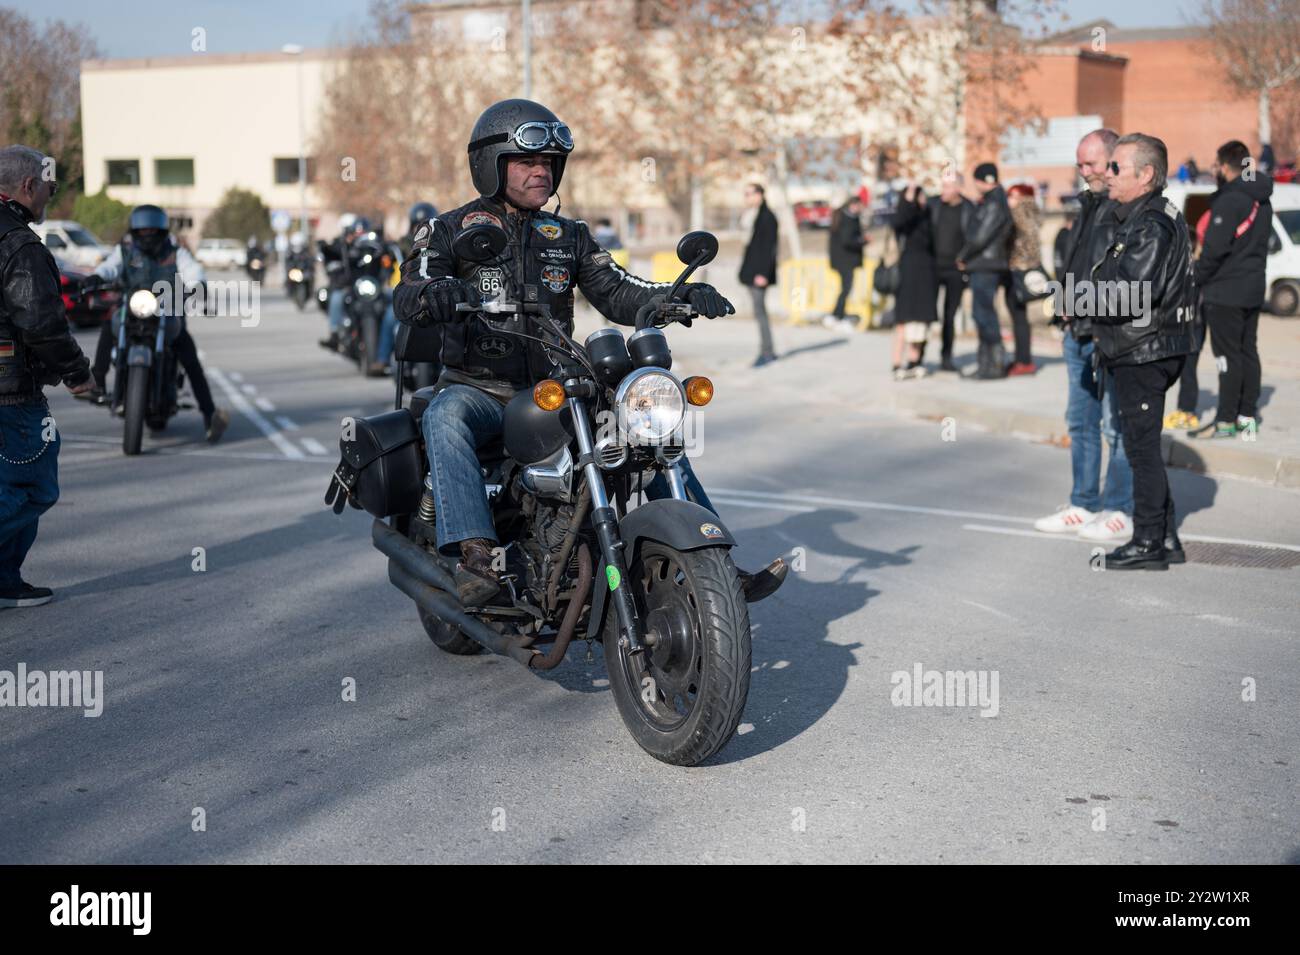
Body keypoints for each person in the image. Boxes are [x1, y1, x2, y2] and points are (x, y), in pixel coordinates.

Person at [394, 98, 782, 605]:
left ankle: (714, 563)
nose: (541, 171)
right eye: (527, 161)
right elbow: (413, 285)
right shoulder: (449, 229)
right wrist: (434, 293)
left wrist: (679, 294)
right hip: (480, 388)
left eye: (548, 163)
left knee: (646, 426)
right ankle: (477, 555)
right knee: (445, 414)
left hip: (554, 388)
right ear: (490, 164)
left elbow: (619, 290)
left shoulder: (568, 235)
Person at [1092, 133, 1197, 570]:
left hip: (1144, 350)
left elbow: (1133, 293)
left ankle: (1148, 541)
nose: (1107, 174)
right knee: (1143, 447)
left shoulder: (1151, 223)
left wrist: (1074, 300)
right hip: (1144, 347)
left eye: (1116, 167)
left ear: (1146, 174)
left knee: (1141, 451)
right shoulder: (1141, 216)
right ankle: (1166, 536)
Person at [0, 144, 94, 608]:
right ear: (28, 186)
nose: (49, 199)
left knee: (9, 486)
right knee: (35, 487)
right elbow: (40, 322)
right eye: (48, 189)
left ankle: (4, 581)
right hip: (11, 393)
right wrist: (77, 373)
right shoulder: (19, 244)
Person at [1035, 128, 1133, 544]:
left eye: (1089, 163)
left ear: (1112, 160)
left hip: (1108, 333)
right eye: (1079, 163)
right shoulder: (1089, 204)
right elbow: (1079, 264)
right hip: (1077, 332)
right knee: (1080, 422)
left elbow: (1125, 276)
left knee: (1116, 426)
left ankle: (1120, 509)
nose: (1083, 170)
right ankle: (1084, 503)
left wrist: (1089, 307)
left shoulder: (1126, 208)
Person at [86, 204, 229, 442]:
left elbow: (193, 271)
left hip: (168, 312)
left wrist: (197, 286)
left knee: (190, 358)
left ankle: (210, 415)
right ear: (135, 232)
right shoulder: (125, 252)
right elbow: (110, 268)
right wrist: (97, 277)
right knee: (109, 323)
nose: (147, 234)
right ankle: (97, 382)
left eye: (152, 230)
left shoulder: (175, 253)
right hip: (133, 311)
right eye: (143, 230)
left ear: (161, 231)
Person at [1192, 139, 1273, 439]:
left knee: (1227, 357)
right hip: (1253, 287)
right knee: (1248, 351)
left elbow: (1214, 250)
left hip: (1225, 291)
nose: (1214, 170)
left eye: (1216, 165)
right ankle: (1247, 419)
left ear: (1226, 167)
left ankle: (1225, 420)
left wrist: (1194, 278)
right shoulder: (1262, 199)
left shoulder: (1229, 200)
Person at [956, 162, 1012, 379]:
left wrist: (963, 256)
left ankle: (994, 364)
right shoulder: (994, 200)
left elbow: (980, 237)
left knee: (984, 314)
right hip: (985, 264)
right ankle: (985, 364)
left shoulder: (993, 203)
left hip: (986, 265)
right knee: (981, 314)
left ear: (981, 180)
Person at [890, 182, 937, 379]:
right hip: (909, 272)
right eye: (920, 195)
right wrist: (910, 191)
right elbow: (900, 220)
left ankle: (915, 360)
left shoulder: (928, 215)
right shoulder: (904, 218)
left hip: (926, 273)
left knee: (921, 320)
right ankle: (896, 363)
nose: (924, 199)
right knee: (904, 319)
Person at [928, 172, 972, 371]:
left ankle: (946, 357)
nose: (943, 190)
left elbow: (974, 239)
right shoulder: (933, 205)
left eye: (947, 186)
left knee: (949, 315)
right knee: (927, 312)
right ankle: (918, 356)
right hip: (933, 267)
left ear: (958, 188)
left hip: (956, 270)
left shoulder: (969, 208)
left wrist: (966, 259)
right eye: (942, 185)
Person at [738, 182, 779, 366]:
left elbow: (769, 248)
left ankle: (767, 351)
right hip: (752, 271)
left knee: (760, 312)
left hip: (759, 274)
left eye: (749, 194)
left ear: (759, 194)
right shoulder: (752, 215)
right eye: (745, 194)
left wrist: (763, 273)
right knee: (758, 311)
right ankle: (766, 350)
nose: (746, 197)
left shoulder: (767, 217)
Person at [1004, 182, 1042, 375]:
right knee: (1019, 316)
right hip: (1022, 268)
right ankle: (1022, 358)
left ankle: (1023, 361)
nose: (1009, 200)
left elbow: (1023, 240)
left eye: (1013, 196)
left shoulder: (1020, 213)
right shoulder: (1032, 212)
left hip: (1018, 269)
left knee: (1019, 316)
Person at [825, 196, 865, 332]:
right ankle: (837, 315)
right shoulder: (847, 219)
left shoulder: (845, 217)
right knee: (846, 288)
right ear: (854, 205)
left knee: (845, 288)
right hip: (845, 260)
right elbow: (847, 240)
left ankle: (838, 314)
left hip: (843, 260)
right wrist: (862, 241)